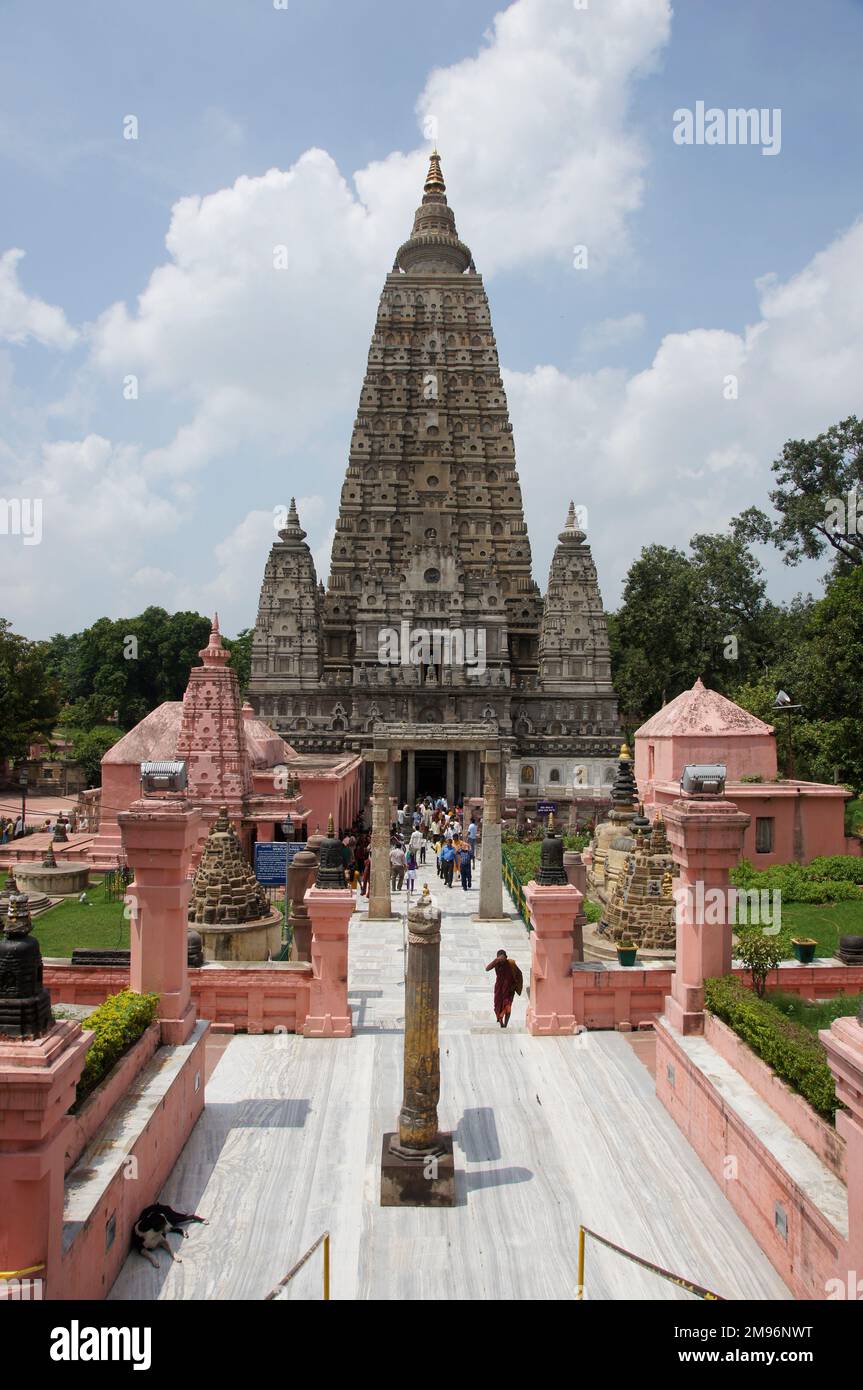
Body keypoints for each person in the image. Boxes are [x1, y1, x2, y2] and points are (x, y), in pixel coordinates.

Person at [486, 949, 518, 1028]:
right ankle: (500, 1020)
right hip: (499, 989)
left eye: (502, 958)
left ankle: (505, 1025)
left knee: (508, 1007)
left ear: (505, 957)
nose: (501, 960)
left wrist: (515, 985)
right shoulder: (497, 964)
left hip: (509, 989)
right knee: (498, 1005)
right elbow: (487, 969)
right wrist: (497, 960)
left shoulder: (511, 963)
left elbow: (518, 974)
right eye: (499, 958)